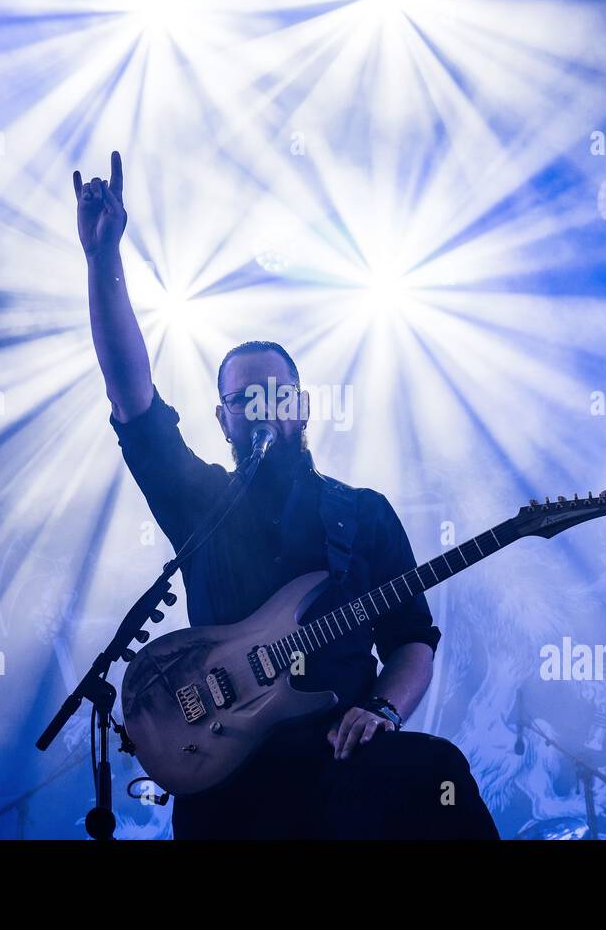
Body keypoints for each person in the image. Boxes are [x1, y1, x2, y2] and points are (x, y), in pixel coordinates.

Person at [75, 151, 498, 839]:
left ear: (302, 406)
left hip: (341, 757)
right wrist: (102, 261)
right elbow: (133, 396)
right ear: (222, 418)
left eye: (276, 393)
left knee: (436, 771)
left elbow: (414, 639)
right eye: (243, 397)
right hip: (221, 769)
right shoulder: (200, 501)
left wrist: (383, 711)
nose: (261, 406)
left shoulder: (361, 513)